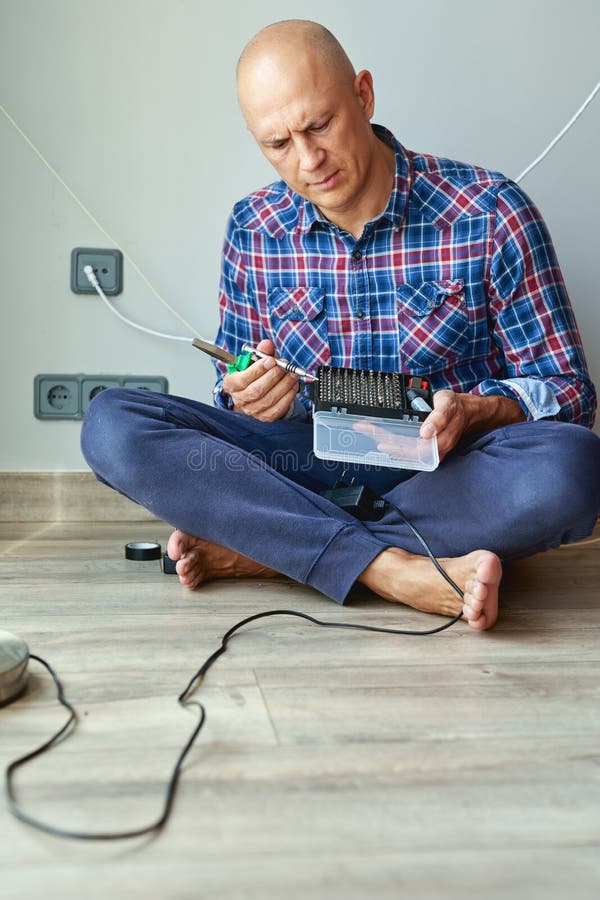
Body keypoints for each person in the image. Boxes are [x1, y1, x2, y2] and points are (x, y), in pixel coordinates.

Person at [81, 19, 600, 631]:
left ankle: (273, 550)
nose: (308, 161)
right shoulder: (252, 227)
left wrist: (476, 410)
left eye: (320, 125)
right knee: (112, 425)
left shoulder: (491, 211)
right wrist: (246, 393)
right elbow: (230, 390)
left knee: (574, 467)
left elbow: (569, 393)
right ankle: (389, 568)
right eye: (278, 144)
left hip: (448, 473)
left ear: (363, 95)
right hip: (304, 464)